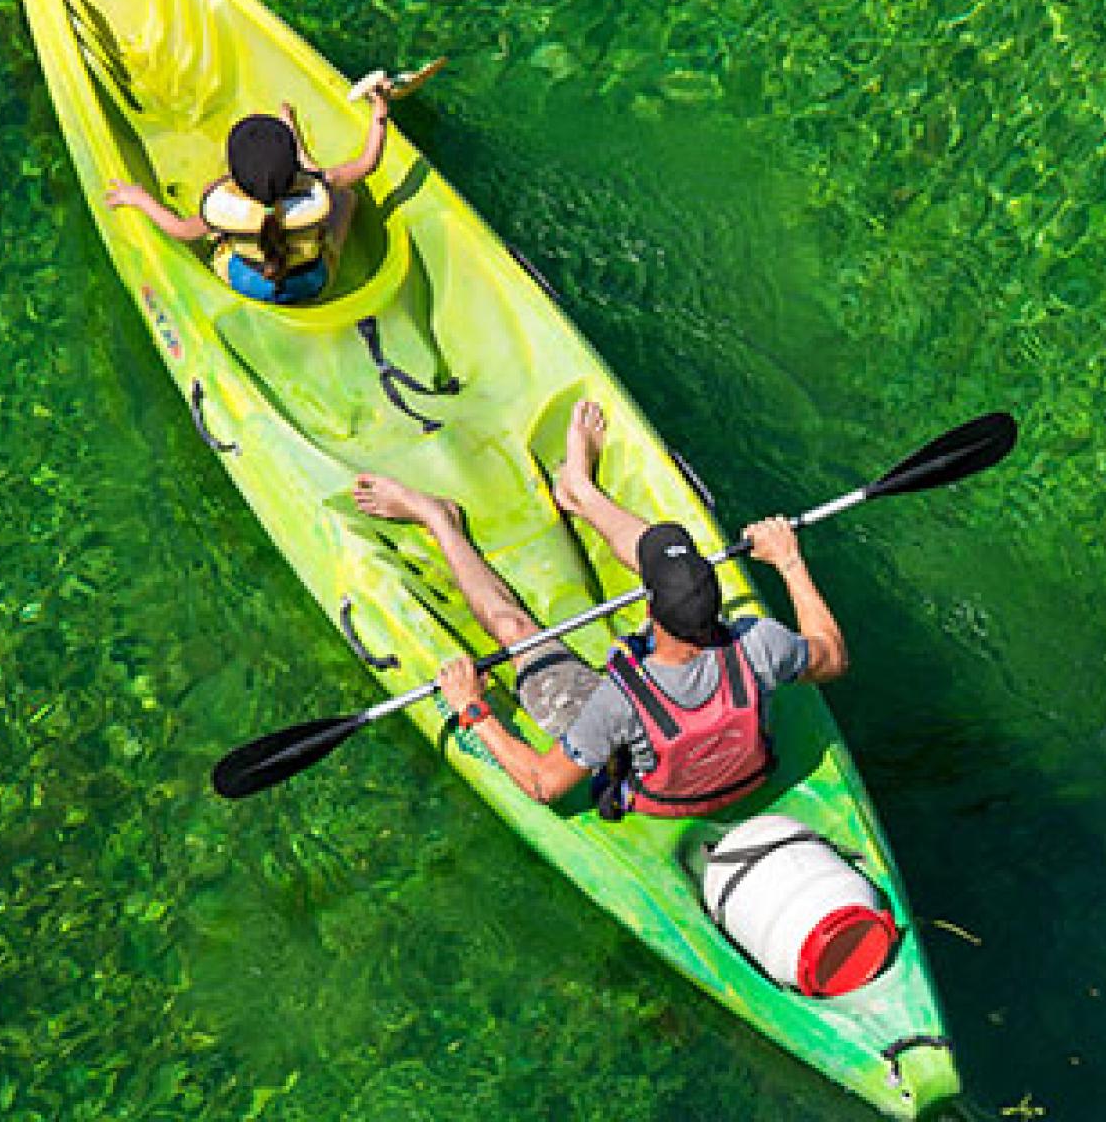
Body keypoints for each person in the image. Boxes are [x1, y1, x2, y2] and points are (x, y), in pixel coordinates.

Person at [351, 398, 848, 813]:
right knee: (669, 563)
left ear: (648, 609)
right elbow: (832, 655)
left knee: (515, 630)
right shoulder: (761, 643)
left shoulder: (614, 704)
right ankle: (580, 493)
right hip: (744, 771)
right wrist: (789, 562)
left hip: (653, 786)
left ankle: (439, 520)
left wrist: (471, 708)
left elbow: (542, 784)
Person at [103, 86, 392, 304]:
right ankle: (301, 155)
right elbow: (369, 162)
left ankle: (233, 231)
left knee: (212, 200)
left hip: (249, 284)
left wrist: (139, 198)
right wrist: (380, 107)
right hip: (310, 284)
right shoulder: (319, 186)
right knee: (346, 198)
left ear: (235, 176)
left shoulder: (226, 206)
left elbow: (181, 230)